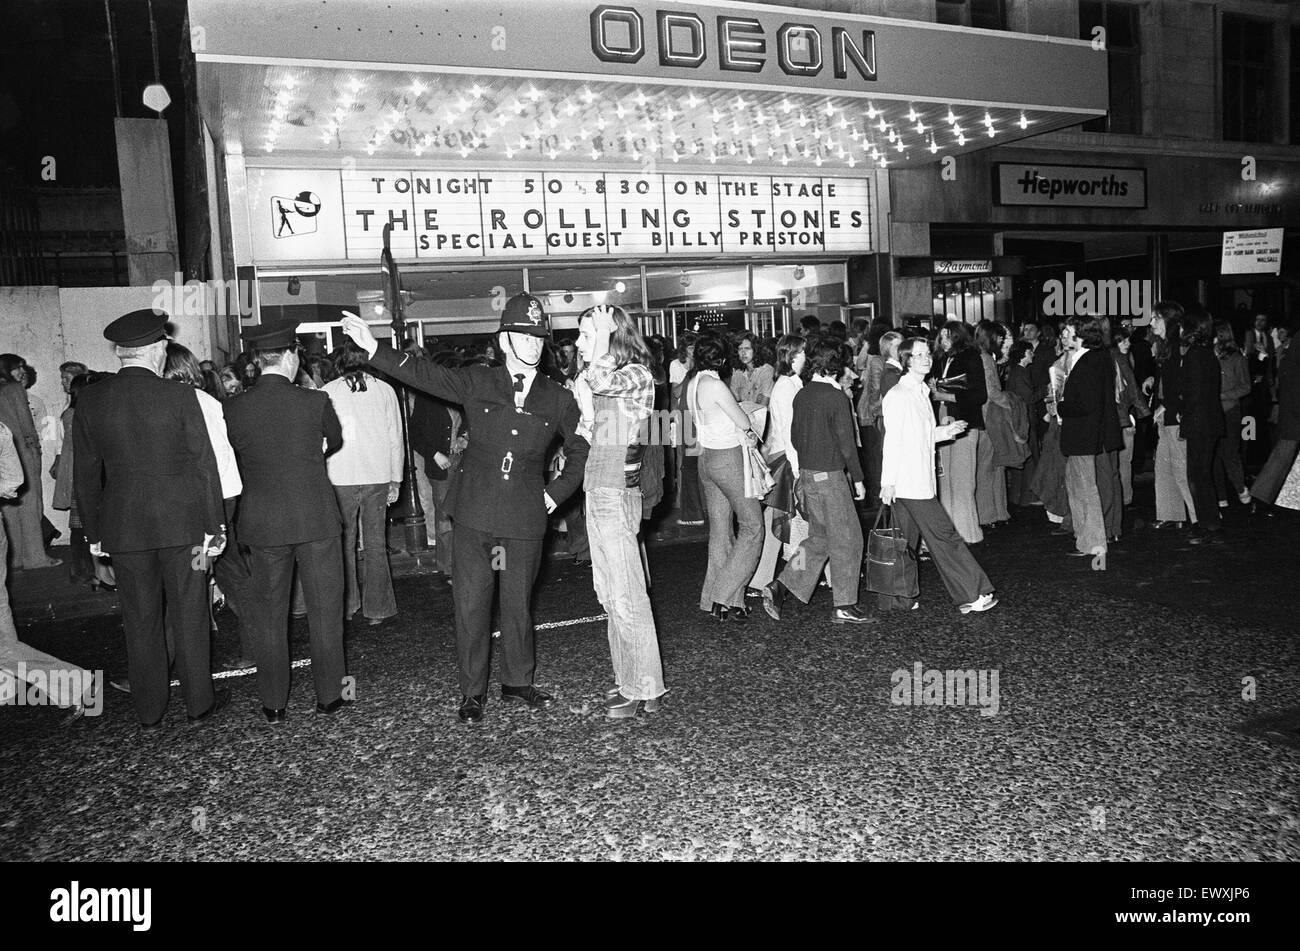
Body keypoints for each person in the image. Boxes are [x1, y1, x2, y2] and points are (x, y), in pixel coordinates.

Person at [340, 295, 588, 725]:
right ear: (505, 340)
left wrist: (557, 492)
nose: (532, 345)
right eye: (523, 337)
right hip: (474, 513)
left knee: (517, 605)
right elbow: (424, 374)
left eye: (538, 337)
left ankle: (518, 682)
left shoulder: (559, 397)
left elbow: (581, 445)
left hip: (524, 518)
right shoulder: (477, 381)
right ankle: (472, 691)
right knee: (472, 605)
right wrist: (375, 347)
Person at [72, 309, 229, 727]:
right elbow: (203, 466)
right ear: (159, 350)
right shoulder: (180, 397)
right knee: (190, 613)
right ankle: (198, 704)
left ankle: (149, 709)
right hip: (185, 529)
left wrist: (93, 534)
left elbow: (85, 475)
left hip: (123, 529)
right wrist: (215, 528)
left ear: (121, 352)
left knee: (138, 619)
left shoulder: (89, 399)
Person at [224, 320, 349, 722]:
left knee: (269, 615)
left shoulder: (234, 407)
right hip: (315, 517)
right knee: (325, 611)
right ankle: (330, 695)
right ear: (292, 356)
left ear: (258, 362)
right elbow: (336, 440)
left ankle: (274, 703)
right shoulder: (314, 401)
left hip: (263, 523)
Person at [571, 305, 665, 718]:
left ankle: (646, 686)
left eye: (586, 334)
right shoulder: (606, 379)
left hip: (615, 494)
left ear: (613, 336)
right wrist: (587, 412)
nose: (578, 343)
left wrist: (604, 338)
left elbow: (601, 377)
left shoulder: (638, 374)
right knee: (609, 594)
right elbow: (594, 435)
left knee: (627, 595)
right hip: (599, 489)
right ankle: (628, 678)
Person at [880, 337, 998, 614]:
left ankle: (897, 598)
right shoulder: (898, 395)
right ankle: (972, 593)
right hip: (909, 482)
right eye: (918, 355)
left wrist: (947, 431)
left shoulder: (921, 391)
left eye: (927, 354)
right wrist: (888, 482)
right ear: (906, 360)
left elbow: (920, 436)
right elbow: (892, 441)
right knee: (945, 538)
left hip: (916, 479)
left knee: (904, 543)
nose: (926, 358)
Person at [761, 339, 873, 624]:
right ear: (835, 365)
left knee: (818, 540)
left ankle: (781, 584)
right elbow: (847, 445)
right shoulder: (836, 398)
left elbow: (796, 438)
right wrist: (858, 479)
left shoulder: (803, 394)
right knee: (849, 539)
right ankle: (844, 604)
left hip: (809, 475)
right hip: (830, 477)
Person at [164, 343, 254, 665]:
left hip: (208, 506)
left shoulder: (193, 403)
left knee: (190, 580)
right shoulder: (202, 401)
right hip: (218, 502)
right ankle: (258, 645)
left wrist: (213, 519)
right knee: (229, 575)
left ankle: (169, 663)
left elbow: (212, 461)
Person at [322, 340, 403, 626]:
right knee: (375, 543)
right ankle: (378, 608)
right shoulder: (385, 391)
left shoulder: (327, 392)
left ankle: (347, 604)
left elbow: (321, 440)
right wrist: (397, 478)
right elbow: (396, 438)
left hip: (339, 476)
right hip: (377, 475)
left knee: (343, 543)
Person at [685, 332, 763, 622]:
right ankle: (723, 593)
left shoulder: (694, 383)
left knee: (720, 531)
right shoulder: (716, 385)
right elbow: (742, 422)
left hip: (705, 460)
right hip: (727, 458)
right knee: (753, 527)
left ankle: (724, 601)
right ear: (720, 358)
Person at [1057, 316, 1122, 562]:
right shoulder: (1097, 357)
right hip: (1086, 434)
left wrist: (1061, 407)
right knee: (1079, 488)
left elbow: (1086, 402)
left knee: (1084, 489)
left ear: (1081, 334)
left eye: (1069, 330)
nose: (1065, 334)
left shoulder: (1088, 360)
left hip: (1084, 434)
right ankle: (1085, 540)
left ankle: (1094, 544)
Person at [748, 335, 807, 596]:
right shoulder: (786, 386)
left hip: (785, 457)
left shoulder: (790, 384)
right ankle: (783, 578)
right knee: (787, 519)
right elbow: (789, 430)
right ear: (792, 356)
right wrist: (796, 468)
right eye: (803, 352)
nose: (807, 357)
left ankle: (766, 579)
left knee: (786, 520)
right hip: (787, 458)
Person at [931, 321, 988, 545]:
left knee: (963, 479)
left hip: (964, 422)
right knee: (944, 479)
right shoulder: (938, 359)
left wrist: (946, 396)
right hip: (942, 421)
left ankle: (967, 531)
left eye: (949, 336)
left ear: (959, 337)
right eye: (941, 336)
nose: (944, 341)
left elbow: (979, 395)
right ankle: (949, 533)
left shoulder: (971, 357)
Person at [1177, 309, 1225, 545]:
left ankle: (1206, 525)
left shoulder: (1194, 355)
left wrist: (1182, 412)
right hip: (1210, 421)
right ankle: (1211, 523)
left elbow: (1193, 393)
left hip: (1199, 422)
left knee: (1197, 475)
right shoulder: (1207, 354)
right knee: (1203, 474)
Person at [1150, 302, 1197, 530]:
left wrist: (1168, 406)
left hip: (1175, 417)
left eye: (1155, 318)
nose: (1151, 323)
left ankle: (1198, 518)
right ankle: (1171, 514)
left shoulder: (1180, 348)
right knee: (1164, 467)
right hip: (1165, 416)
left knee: (1181, 470)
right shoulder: (1166, 347)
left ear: (1167, 320)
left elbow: (1182, 385)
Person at [1212, 320, 1252, 509]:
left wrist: (1223, 395)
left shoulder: (1236, 358)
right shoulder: (1209, 356)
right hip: (1212, 411)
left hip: (1230, 410)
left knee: (1229, 453)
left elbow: (1245, 386)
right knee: (1215, 455)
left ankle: (1241, 488)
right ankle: (1221, 497)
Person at [730, 332, 775, 407]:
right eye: (740, 349)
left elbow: (763, 406)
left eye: (747, 348)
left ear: (755, 350)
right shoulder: (737, 372)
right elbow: (733, 402)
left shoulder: (767, 371)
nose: (743, 353)